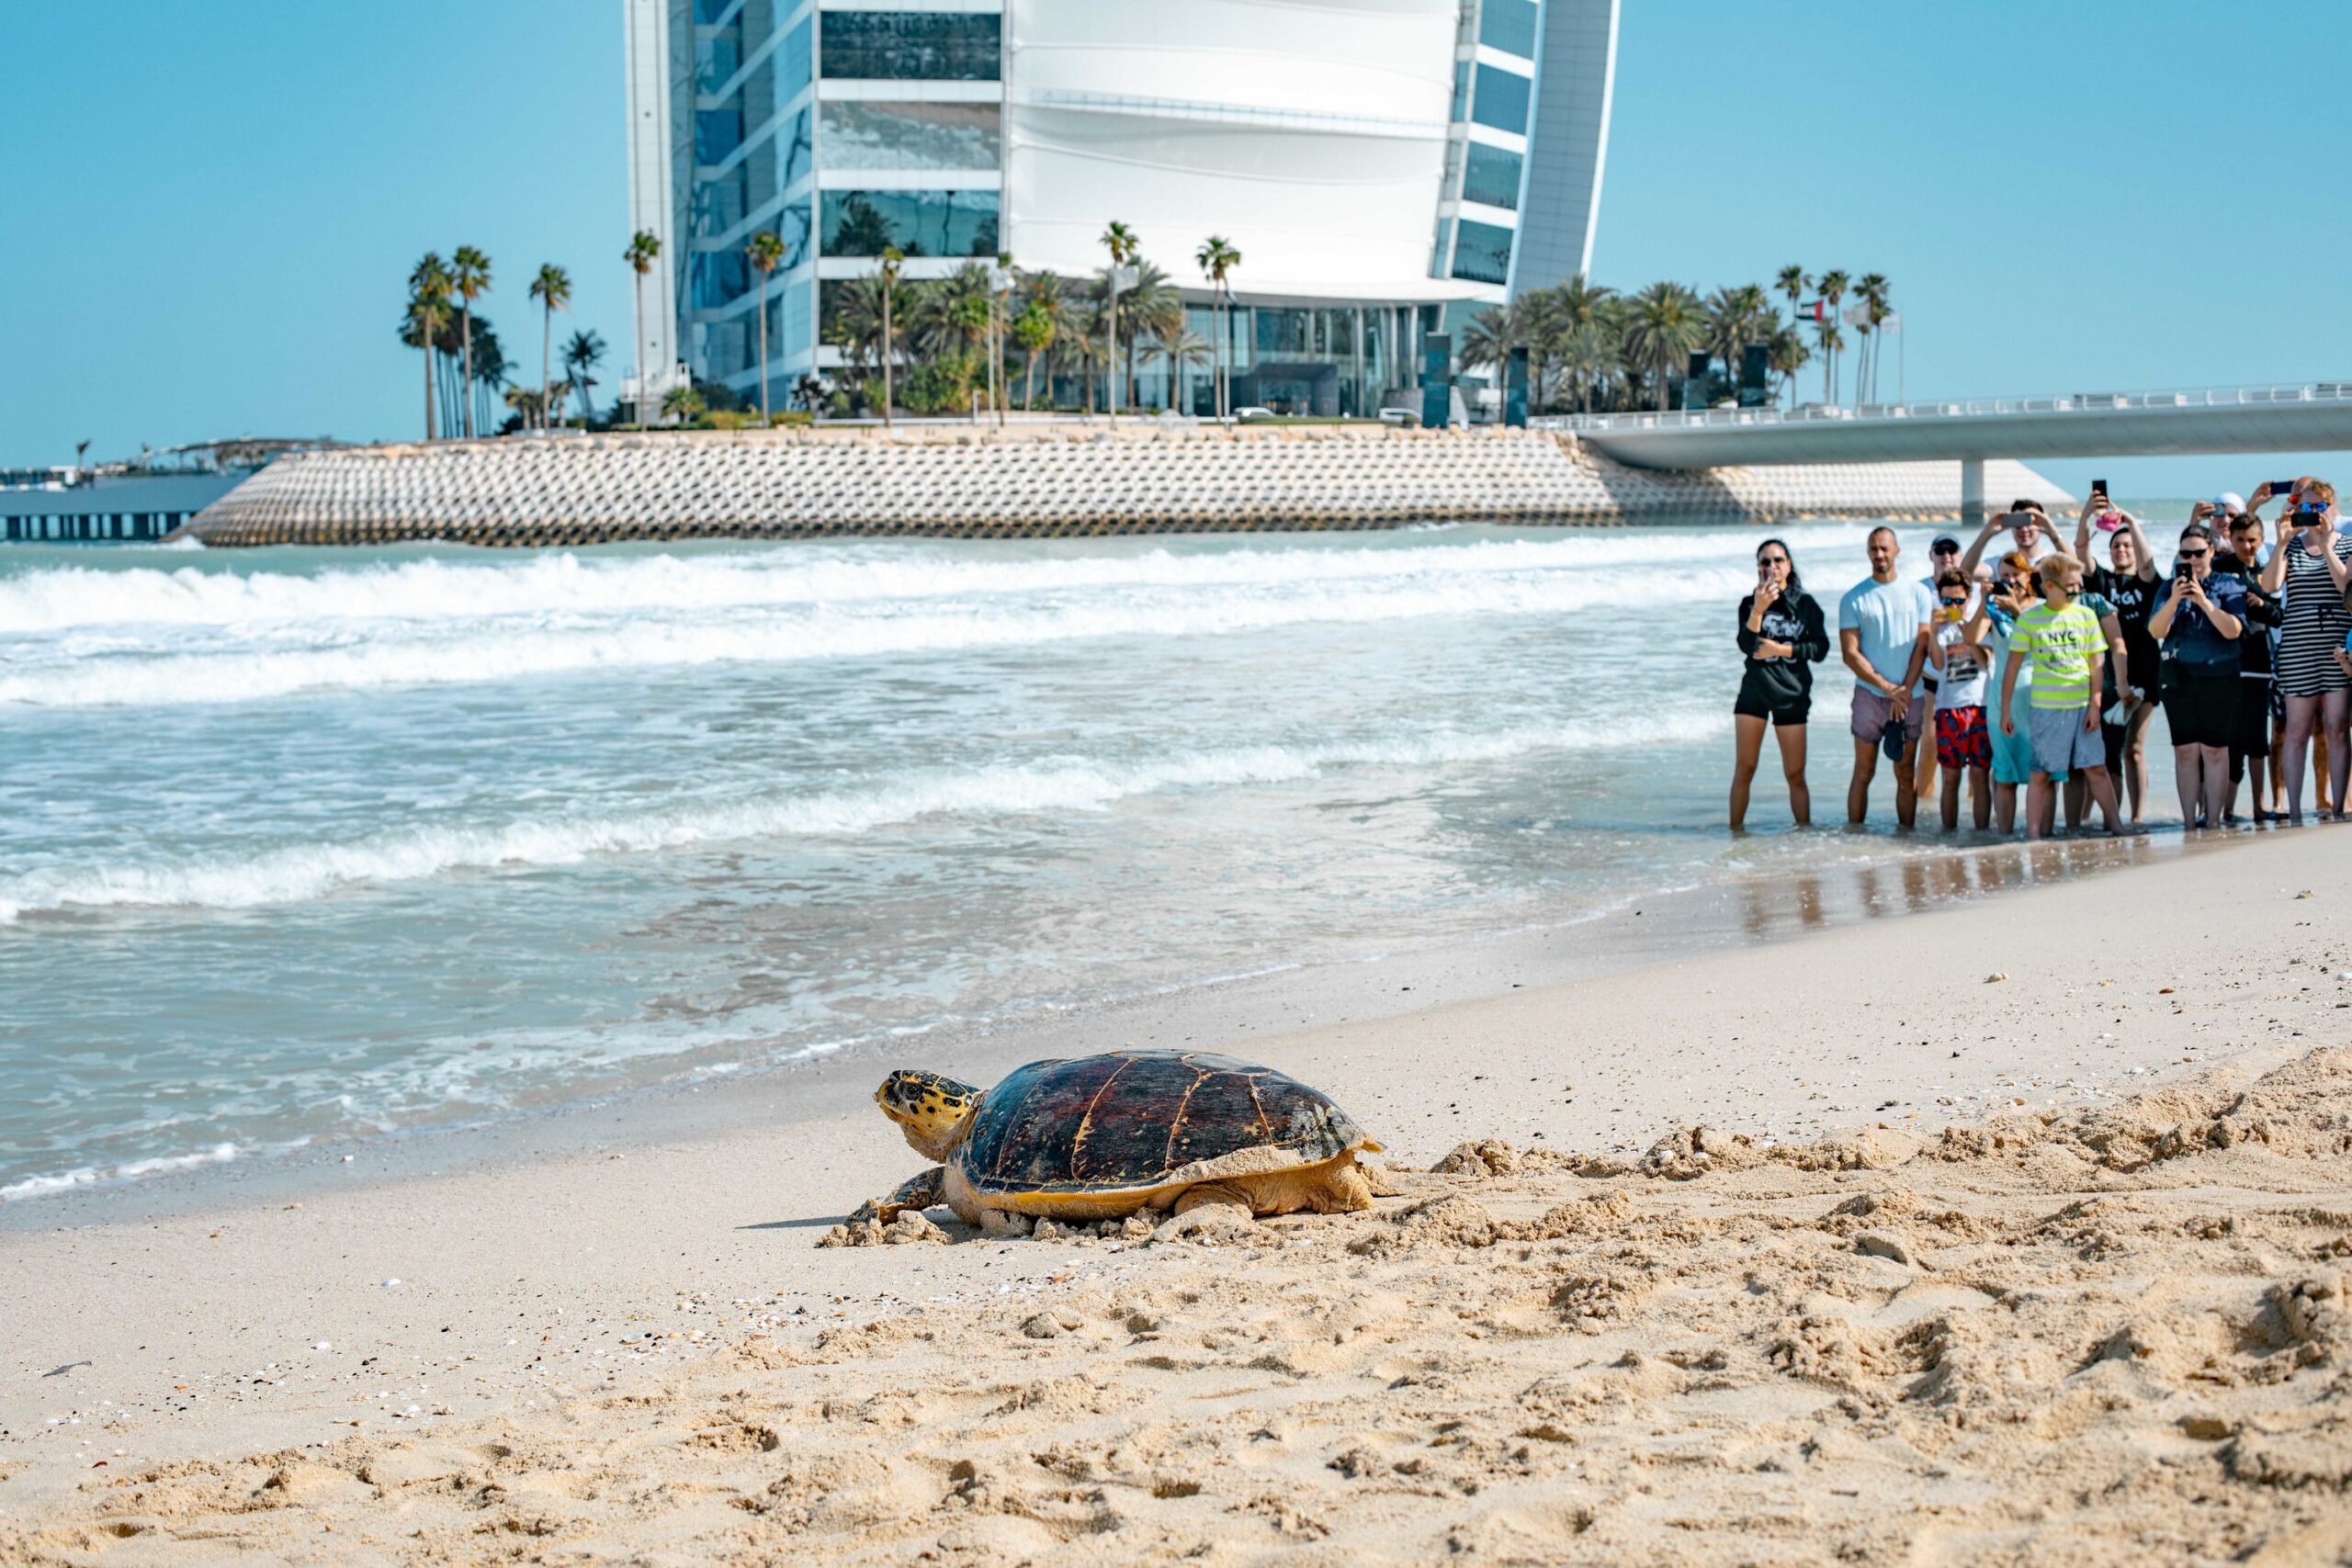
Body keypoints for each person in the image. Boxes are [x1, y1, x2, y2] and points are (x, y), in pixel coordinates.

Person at [1999, 555, 2135, 839]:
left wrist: (2095, 706)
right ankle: (2034, 835)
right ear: (2049, 586)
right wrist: (2005, 711)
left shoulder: (2085, 615)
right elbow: (2012, 668)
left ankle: (2116, 825)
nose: (2078, 592)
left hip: (2083, 706)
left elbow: (2097, 663)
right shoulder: (2030, 619)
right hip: (2047, 709)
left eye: (2080, 585)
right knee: (2041, 773)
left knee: (2096, 767)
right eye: (2071, 587)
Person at [2254, 478, 2352, 821]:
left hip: (2337, 648)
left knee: (2338, 728)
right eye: (2305, 507)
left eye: (2318, 507)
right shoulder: (2291, 547)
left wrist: (2325, 545)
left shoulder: (2346, 544)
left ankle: (2338, 807)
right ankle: (2294, 812)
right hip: (2297, 647)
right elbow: (2270, 586)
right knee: (2296, 731)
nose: (2311, 514)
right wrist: (2281, 543)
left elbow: (2347, 587)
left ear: (2332, 509)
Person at [2146, 524, 2246, 829]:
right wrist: (2176, 599)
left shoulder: (2229, 585)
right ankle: (2189, 822)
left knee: (2216, 749)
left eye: (2198, 553)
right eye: (2186, 553)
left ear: (2212, 552)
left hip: (2220, 674)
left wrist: (2203, 600)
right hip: (2178, 676)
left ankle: (2213, 820)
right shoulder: (2168, 587)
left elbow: (2233, 630)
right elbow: (2156, 630)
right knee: (2186, 750)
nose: (2192, 559)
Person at [1730, 538, 1829, 829]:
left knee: (1795, 774)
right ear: (1758, 567)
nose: (1771, 567)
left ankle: (1804, 836)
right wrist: (1759, 610)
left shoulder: (1806, 605)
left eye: (1778, 560)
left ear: (1788, 565)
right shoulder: (1749, 604)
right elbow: (1745, 645)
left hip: (1791, 695)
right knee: (1744, 769)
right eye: (1765, 562)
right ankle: (1734, 835)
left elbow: (1820, 648)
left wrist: (1782, 650)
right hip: (1754, 692)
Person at [1838, 527, 1932, 828]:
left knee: (1905, 772)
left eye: (1884, 548)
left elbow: (1923, 645)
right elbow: (1850, 654)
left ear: (1896, 550)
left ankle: (1907, 841)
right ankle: (1854, 839)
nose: (1879, 554)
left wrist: (1903, 690)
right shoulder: (1853, 598)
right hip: (1870, 695)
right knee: (1863, 771)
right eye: (1873, 549)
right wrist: (1888, 688)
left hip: (1911, 695)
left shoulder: (1918, 593)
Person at [2076, 499, 2161, 823]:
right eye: (2115, 545)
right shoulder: (2102, 583)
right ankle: (2091, 817)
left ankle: (2137, 817)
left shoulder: (2146, 582)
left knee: (2134, 748)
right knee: (2103, 752)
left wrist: (2129, 521)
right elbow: (2082, 555)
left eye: (2126, 545)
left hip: (2145, 670)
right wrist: (2086, 515)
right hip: (2107, 675)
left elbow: (2148, 561)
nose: (2121, 550)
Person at [1971, 550, 2051, 835]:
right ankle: (2004, 839)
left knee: (2043, 775)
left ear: (2029, 576)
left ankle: (2042, 838)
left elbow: (2047, 649)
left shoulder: (2043, 607)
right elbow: (1970, 638)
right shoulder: (1995, 610)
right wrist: (1983, 603)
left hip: (2039, 699)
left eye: (2016, 574)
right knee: (2004, 776)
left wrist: (2018, 611)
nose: (2011, 580)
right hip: (2002, 700)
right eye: (2004, 575)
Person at [2214, 510, 2284, 821]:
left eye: (2252, 540)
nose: (2247, 546)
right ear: (2230, 538)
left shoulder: (2270, 571)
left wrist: (2262, 606)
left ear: (2262, 540)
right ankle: (2223, 810)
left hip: (2258, 662)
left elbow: (2283, 614)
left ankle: (2259, 808)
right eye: (2240, 540)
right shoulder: (2219, 568)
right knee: (2228, 740)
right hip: (2226, 663)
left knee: (2257, 739)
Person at [1907, 535, 1974, 802]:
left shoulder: (1974, 588)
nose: (1946, 556)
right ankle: (1924, 804)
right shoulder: (1920, 590)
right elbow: (1910, 634)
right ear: (1931, 555)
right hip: (1932, 676)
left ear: (1960, 555)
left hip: (1968, 678)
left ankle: (1973, 806)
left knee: (1975, 748)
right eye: (1940, 550)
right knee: (1930, 741)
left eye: (1952, 550)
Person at [1926, 568, 1993, 829]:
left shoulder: (1980, 622)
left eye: (1958, 601)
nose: (1953, 606)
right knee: (1950, 777)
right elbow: (1939, 665)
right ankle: (1948, 835)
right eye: (1946, 601)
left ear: (1968, 598)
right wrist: (1932, 631)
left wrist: (1970, 633)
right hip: (1948, 708)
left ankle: (1982, 836)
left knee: (1979, 776)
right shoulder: (1941, 630)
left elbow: (1985, 661)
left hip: (1979, 706)